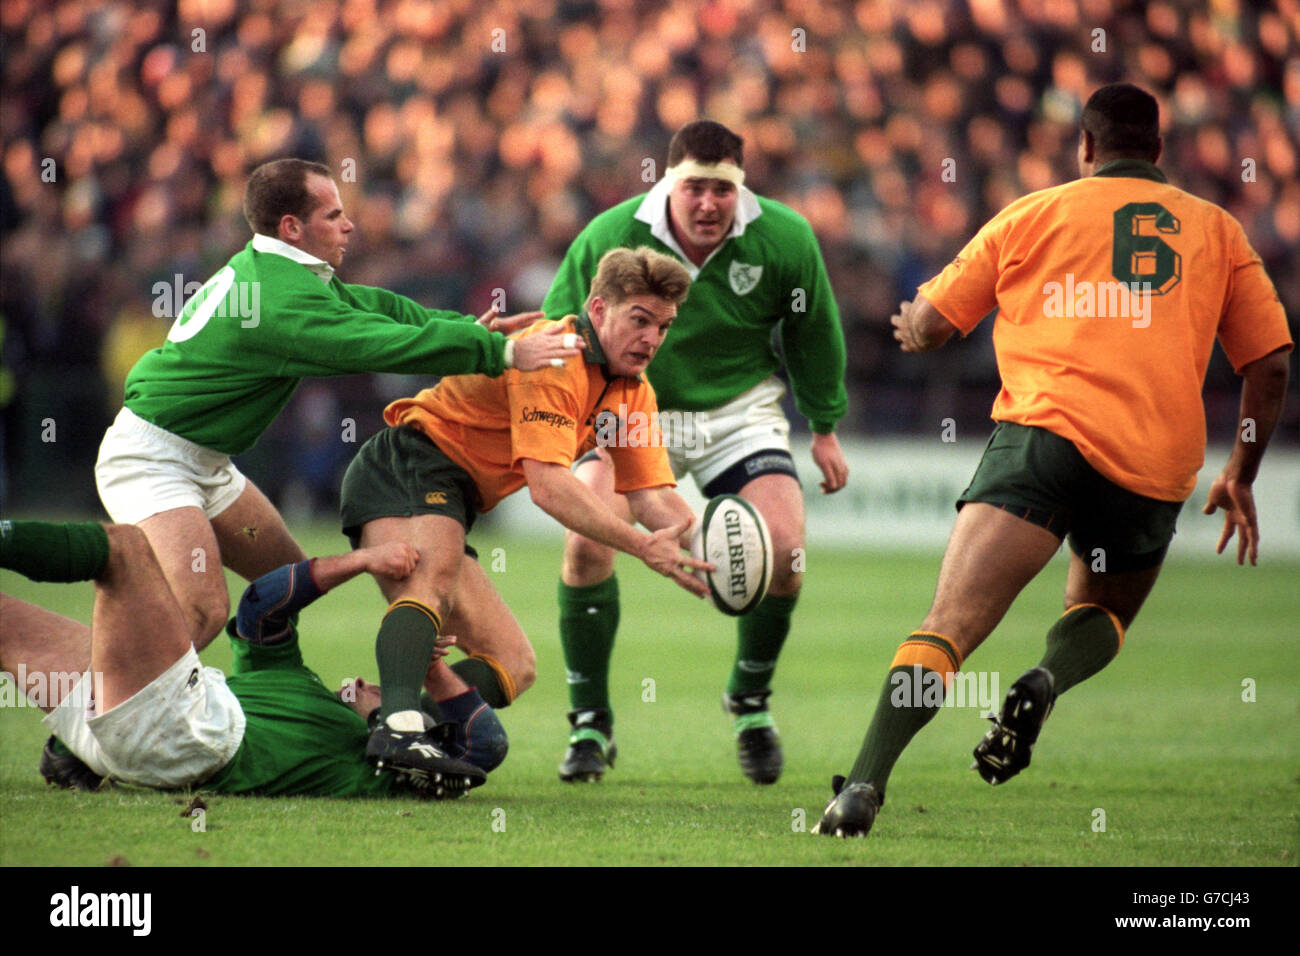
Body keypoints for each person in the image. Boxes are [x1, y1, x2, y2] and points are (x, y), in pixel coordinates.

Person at [815, 84, 1292, 837]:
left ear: (1086, 147)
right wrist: (1243, 468)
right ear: (1159, 152)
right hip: (1152, 462)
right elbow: (1269, 366)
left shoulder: (1036, 212)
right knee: (1100, 610)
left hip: (1043, 439)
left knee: (948, 628)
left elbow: (934, 323)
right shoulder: (1219, 231)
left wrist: (913, 325)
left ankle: (863, 789)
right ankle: (1045, 679)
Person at [95, 157, 579, 652]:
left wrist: (467, 332)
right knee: (202, 610)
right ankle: (101, 717)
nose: (349, 224)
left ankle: (256, 701)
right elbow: (372, 343)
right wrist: (501, 353)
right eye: (332, 215)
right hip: (152, 458)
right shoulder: (277, 298)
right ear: (292, 227)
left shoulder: (281, 270)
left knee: (283, 584)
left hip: (205, 460)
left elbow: (374, 309)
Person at [541, 120, 850, 785]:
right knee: (586, 544)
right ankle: (590, 721)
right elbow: (558, 327)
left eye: (722, 188)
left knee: (787, 551)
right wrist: (564, 425)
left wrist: (824, 425)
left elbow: (814, 332)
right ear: (668, 185)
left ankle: (749, 699)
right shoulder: (609, 235)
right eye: (694, 188)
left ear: (741, 186)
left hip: (737, 414)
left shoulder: (785, 237)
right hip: (624, 407)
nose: (708, 203)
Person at [338, 246, 715, 776]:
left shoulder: (632, 391)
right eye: (640, 319)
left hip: (452, 496)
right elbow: (549, 487)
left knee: (512, 665)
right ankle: (401, 731)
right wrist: (639, 547)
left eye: (664, 325)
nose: (652, 337)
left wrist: (711, 547)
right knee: (433, 578)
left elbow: (651, 496)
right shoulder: (556, 356)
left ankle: (366, 719)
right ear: (599, 308)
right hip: (407, 465)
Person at [1, 519, 507, 798]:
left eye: (383, 694)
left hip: (186, 731)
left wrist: (430, 676)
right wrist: (360, 561)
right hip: (136, 734)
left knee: (125, 547)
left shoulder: (366, 763)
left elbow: (480, 746)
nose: (368, 681)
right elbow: (260, 609)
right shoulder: (296, 682)